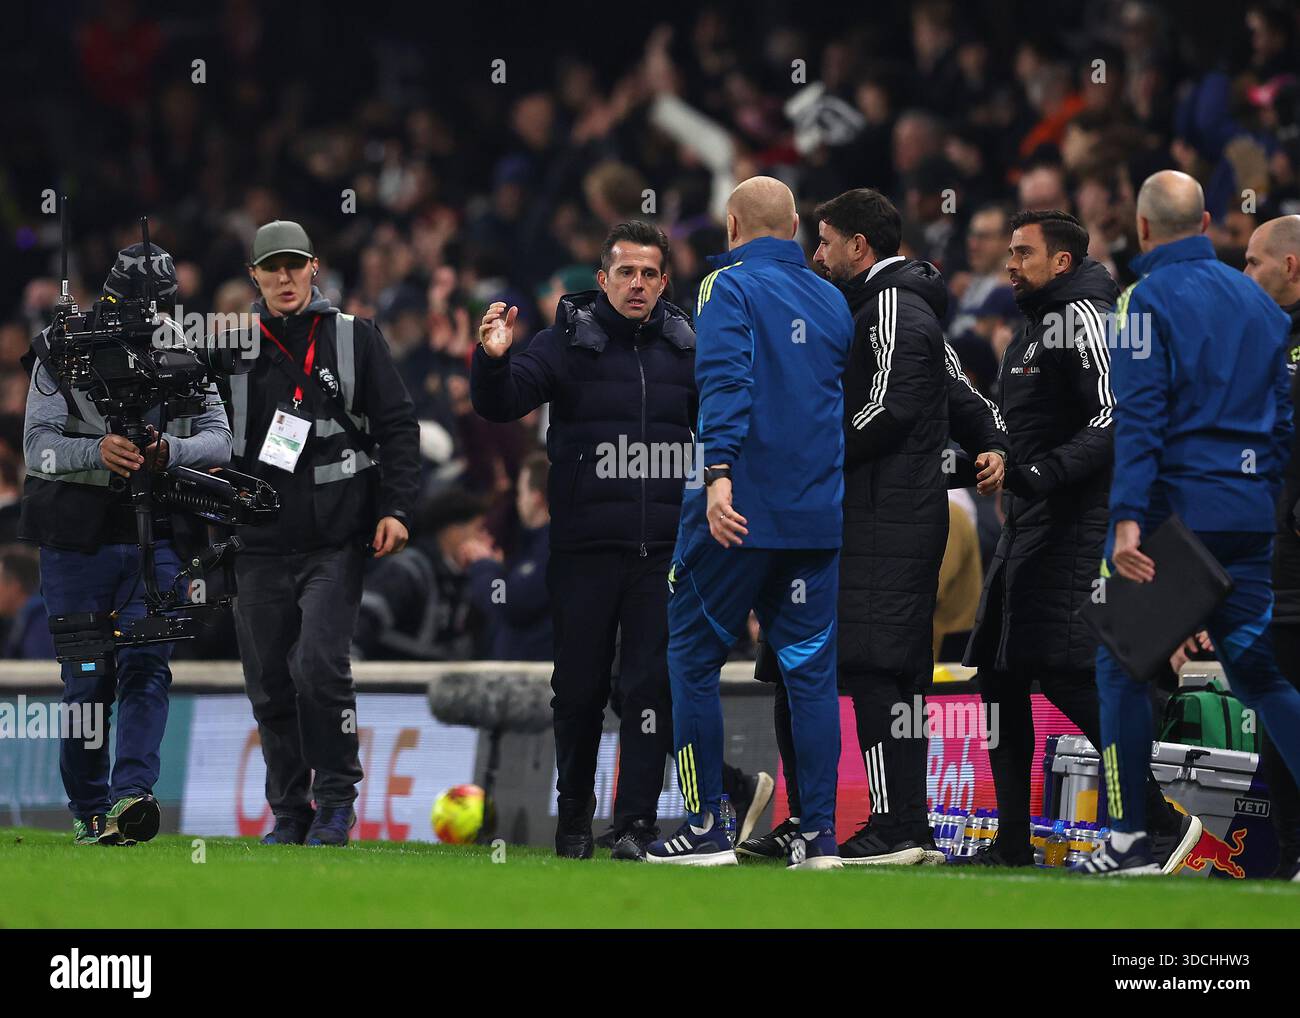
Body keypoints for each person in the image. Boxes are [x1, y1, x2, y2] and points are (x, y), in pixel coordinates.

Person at [739, 187, 1008, 866]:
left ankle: (894, 826)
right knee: (814, 665)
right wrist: (995, 438)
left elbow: (889, 408)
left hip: (883, 522)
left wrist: (811, 453)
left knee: (875, 673)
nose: (816, 252)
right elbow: (961, 391)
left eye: (825, 241)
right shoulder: (874, 307)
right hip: (854, 518)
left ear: (859, 247)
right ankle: (831, 824)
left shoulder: (891, 306)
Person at [964, 209, 1195, 870]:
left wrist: (1041, 473)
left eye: (1022, 253)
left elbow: (1114, 414)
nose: (1009, 264)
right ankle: (1011, 845)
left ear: (1061, 261)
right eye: (1008, 251)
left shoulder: (1087, 317)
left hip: (1081, 520)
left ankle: (1154, 819)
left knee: (1071, 673)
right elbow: (1027, 428)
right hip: (1031, 518)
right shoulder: (1031, 329)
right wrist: (998, 461)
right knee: (999, 672)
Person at [1083, 172, 1300, 875]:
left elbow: (1141, 418)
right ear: (1207, 220)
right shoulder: (1264, 306)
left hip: (1176, 521)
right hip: (1249, 521)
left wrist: (1125, 522)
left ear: (1143, 230)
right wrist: (1256, 497)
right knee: (1262, 678)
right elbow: (1284, 427)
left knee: (1119, 667)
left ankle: (1125, 841)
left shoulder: (1144, 298)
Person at [644, 176, 853, 869]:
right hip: (815, 520)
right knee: (810, 675)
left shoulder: (725, 288)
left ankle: (705, 826)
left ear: (732, 226)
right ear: (794, 225)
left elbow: (727, 381)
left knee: (692, 657)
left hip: (736, 513)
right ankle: (819, 834)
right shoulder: (832, 299)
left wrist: (718, 475)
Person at [472, 221, 698, 860]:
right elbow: (502, 403)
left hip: (662, 553)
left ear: (663, 282)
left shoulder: (687, 346)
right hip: (584, 549)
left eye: (649, 274)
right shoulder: (563, 343)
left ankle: (635, 825)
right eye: (625, 272)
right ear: (602, 279)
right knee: (577, 690)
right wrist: (492, 360)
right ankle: (574, 820)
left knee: (651, 689)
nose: (637, 284)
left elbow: (722, 430)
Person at [20, 243, 232, 845]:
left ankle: (132, 796)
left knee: (147, 666)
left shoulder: (180, 350)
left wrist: (169, 451)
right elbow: (38, 448)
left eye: (158, 305)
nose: (146, 316)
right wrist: (98, 453)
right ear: (108, 293)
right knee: (88, 677)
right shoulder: (60, 350)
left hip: (153, 534)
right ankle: (88, 807)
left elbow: (219, 440)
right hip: (74, 541)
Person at [229, 220, 421, 847]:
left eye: (293, 265)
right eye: (270, 268)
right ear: (253, 276)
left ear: (314, 267)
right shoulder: (231, 346)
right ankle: (289, 810)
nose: (283, 278)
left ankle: (336, 802)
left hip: (335, 540)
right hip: (256, 542)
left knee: (319, 667)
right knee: (267, 682)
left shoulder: (355, 337)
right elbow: (206, 438)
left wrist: (396, 508)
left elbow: (398, 427)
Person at [1239, 213, 1300, 877]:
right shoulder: (1260, 340)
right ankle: (1290, 858)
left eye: (1254, 260)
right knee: (1277, 710)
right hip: (1272, 563)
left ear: (1290, 265)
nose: (1244, 273)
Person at [356, 489, 488, 660]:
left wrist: (492, 571)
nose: (486, 539)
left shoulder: (473, 577)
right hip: (389, 680)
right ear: (454, 532)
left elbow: (502, 606)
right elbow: (365, 619)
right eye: (479, 530)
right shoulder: (408, 570)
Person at [464, 452, 552, 662]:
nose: (518, 502)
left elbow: (509, 602)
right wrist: (497, 570)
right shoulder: (535, 545)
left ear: (536, 497)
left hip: (537, 678)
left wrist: (484, 566)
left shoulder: (552, 547)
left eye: (521, 493)